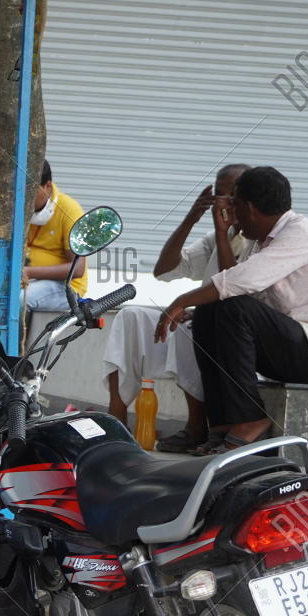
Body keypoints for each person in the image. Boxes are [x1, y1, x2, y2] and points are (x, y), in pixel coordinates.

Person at [155, 166, 308, 454]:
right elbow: (232, 285)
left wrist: (181, 300)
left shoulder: (300, 233)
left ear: (249, 208)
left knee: (230, 306)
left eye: (235, 207)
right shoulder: (259, 240)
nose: (233, 217)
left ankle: (250, 418)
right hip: (295, 346)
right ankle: (222, 424)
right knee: (208, 313)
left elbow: (241, 283)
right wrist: (196, 302)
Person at [102, 163, 252, 452]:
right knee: (130, 316)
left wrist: (194, 309)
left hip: (234, 330)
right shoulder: (219, 234)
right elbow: (165, 269)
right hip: (205, 317)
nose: (222, 202)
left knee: (189, 326)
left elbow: (232, 286)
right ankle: (116, 420)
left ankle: (196, 426)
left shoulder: (257, 236)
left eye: (230, 195)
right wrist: (191, 218)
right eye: (218, 195)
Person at [22, 159, 87, 310]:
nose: (25, 197)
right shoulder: (16, 205)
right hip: (24, 279)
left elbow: (78, 269)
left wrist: (29, 272)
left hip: (64, 288)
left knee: (21, 299)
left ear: (47, 186)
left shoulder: (69, 209)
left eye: (31, 191)